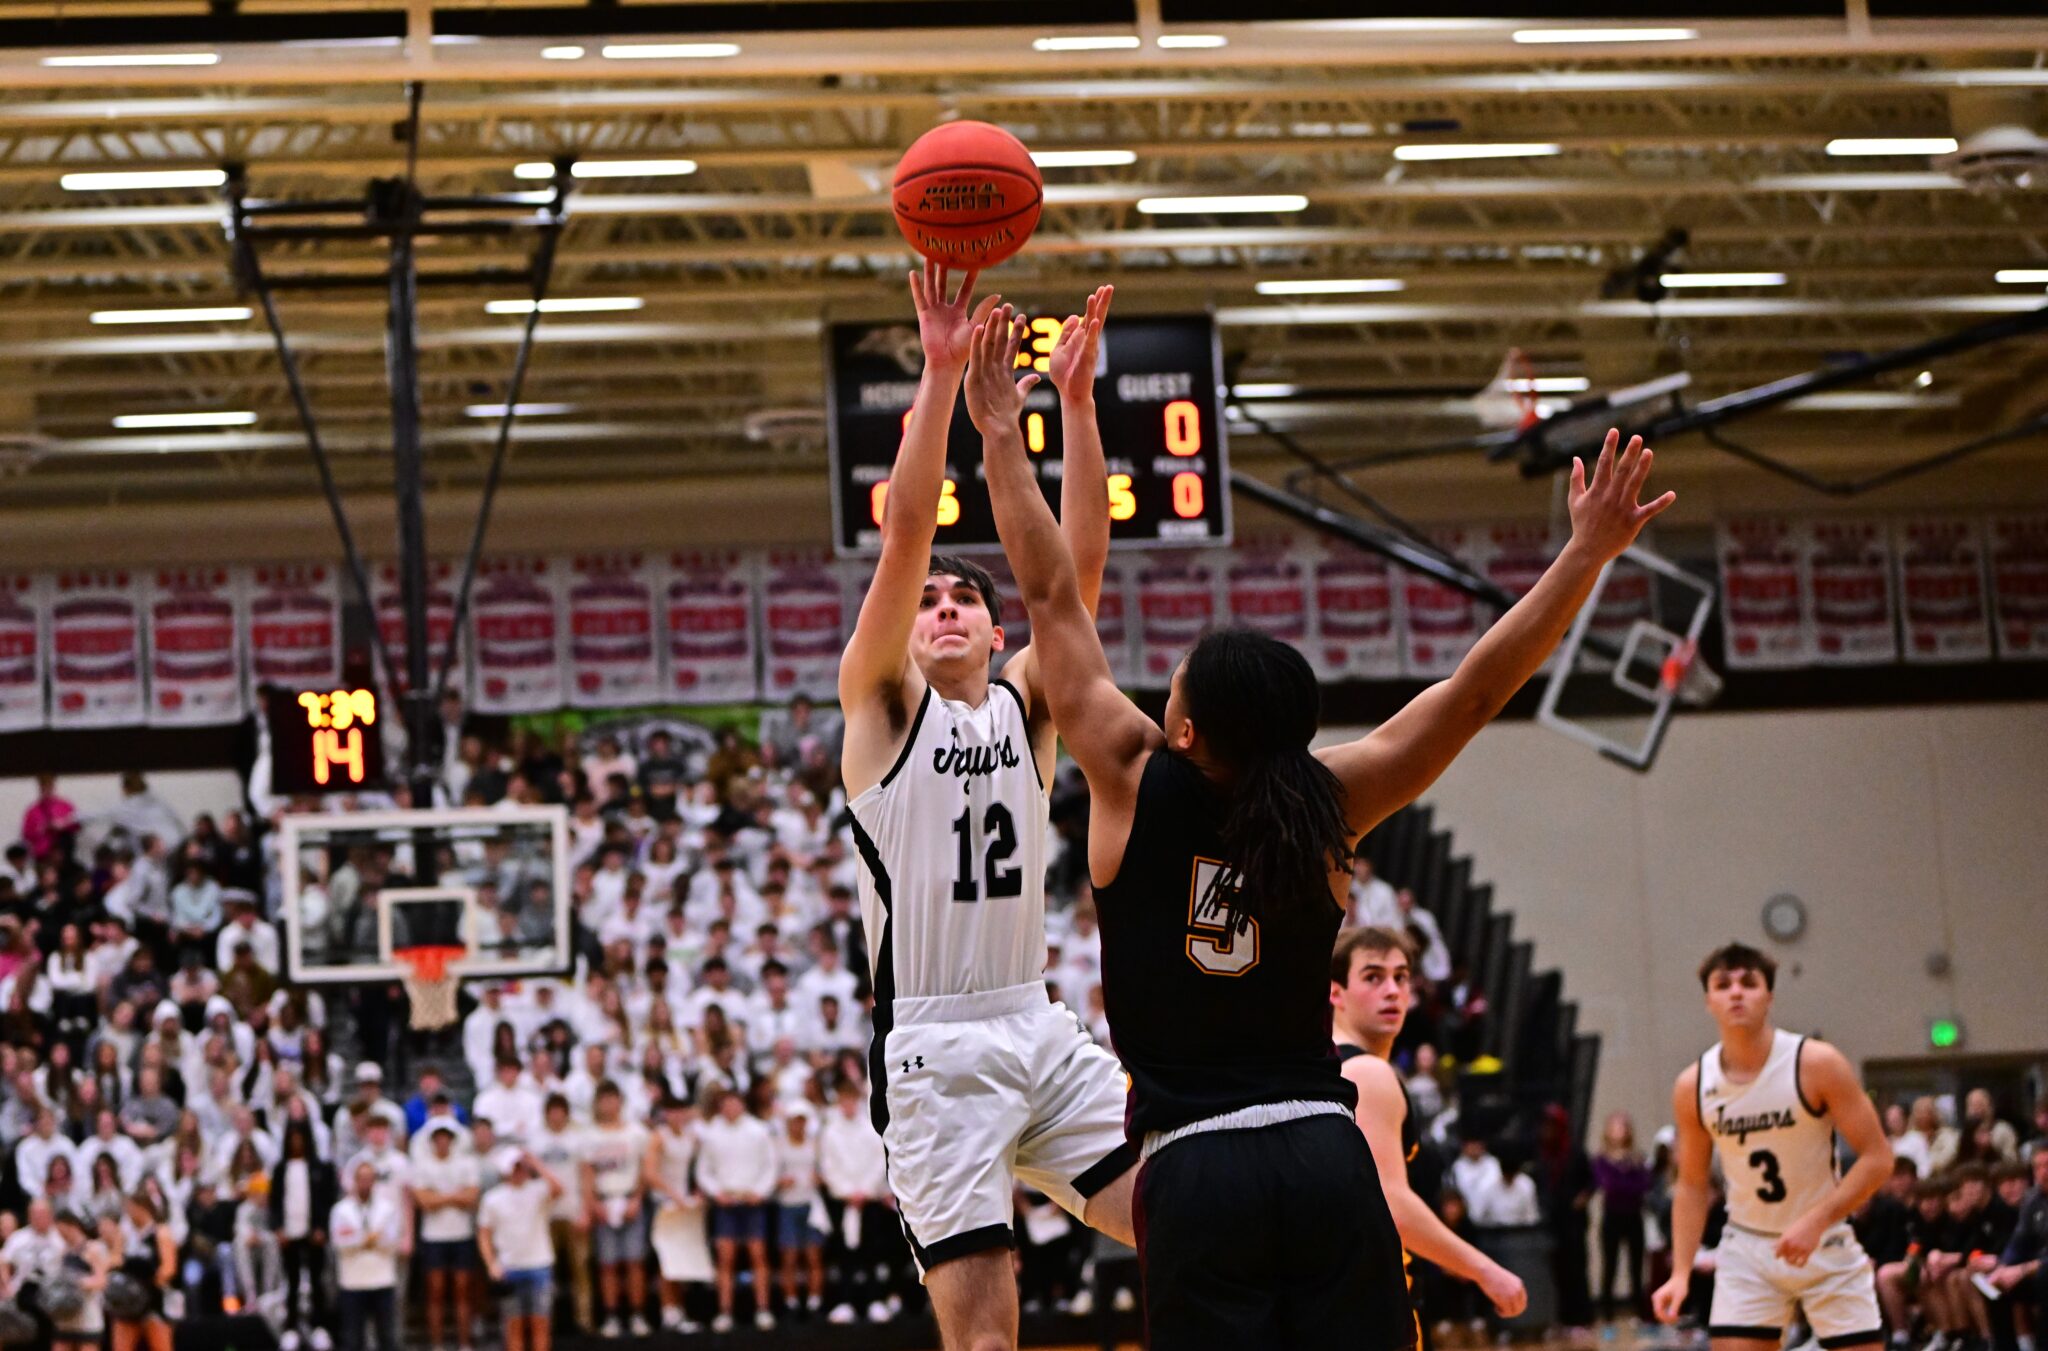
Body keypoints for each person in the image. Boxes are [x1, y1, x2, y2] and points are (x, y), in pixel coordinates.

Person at [975, 281, 1674, 1346]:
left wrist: (1000, 432)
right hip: (1320, 1148)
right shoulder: (1330, 798)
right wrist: (1583, 553)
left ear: (1188, 732)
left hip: (1196, 1162)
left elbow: (1048, 594)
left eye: (1173, 693)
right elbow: (1476, 689)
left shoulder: (1126, 770)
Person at [836, 264, 1135, 1349]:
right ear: (905, 635)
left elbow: (1078, 568)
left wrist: (1079, 403)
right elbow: (907, 523)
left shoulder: (1028, 710)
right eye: (929, 601)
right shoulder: (877, 708)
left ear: (995, 634)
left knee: (1192, 1213)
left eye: (966, 597)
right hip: (933, 1053)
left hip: (1036, 1020)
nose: (945, 605)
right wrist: (940, 369)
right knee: (984, 1337)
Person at [1652, 944, 1894, 1351]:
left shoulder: (1816, 1063)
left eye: (1749, 983)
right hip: (1748, 1249)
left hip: (1825, 1240)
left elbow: (1878, 1159)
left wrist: (1816, 1221)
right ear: (1708, 1000)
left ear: (1769, 996)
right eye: (1723, 984)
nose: (1736, 993)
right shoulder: (1693, 1085)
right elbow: (1692, 1185)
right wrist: (1680, 1272)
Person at [1329, 925, 1527, 1339]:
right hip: (1373, 1304)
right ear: (1335, 993)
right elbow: (1392, 1203)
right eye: (1373, 976)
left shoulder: (1327, 1068)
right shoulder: (1367, 1073)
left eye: (1400, 977)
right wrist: (1484, 1270)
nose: (1392, 990)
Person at [697, 1086, 778, 1332]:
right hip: (726, 1203)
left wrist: (760, 1192)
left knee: (758, 1255)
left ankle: (763, 1309)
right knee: (725, 1258)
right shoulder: (712, 1134)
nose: (731, 1108)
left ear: (742, 1104)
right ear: (721, 1107)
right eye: (726, 1104)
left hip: (752, 1201)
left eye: (735, 1103)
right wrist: (716, 1193)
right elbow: (703, 1171)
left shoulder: (758, 1130)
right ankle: (725, 1312)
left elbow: (770, 1166)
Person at [477, 1148, 567, 1351]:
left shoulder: (537, 1190)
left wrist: (536, 1163)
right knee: (513, 1327)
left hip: (539, 1265)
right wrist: (491, 1263)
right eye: (515, 1167)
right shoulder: (493, 1198)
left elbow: (559, 1189)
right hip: (509, 1268)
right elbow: (484, 1234)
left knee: (541, 1324)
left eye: (522, 1166)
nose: (520, 1171)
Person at [582, 1081, 650, 1337]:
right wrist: (593, 1205)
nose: (609, 1105)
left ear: (621, 1101)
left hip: (629, 1198)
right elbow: (586, 1173)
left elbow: (645, 1168)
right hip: (604, 1201)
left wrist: (637, 1199)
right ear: (598, 1103)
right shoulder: (590, 1136)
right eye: (604, 1099)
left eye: (613, 1099)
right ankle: (611, 1315)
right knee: (607, 1264)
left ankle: (637, 1314)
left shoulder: (636, 1132)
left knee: (635, 1262)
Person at [411, 1121, 482, 1351]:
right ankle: (437, 1344)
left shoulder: (466, 1163)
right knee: (436, 1292)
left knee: (463, 1290)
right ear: (433, 1141)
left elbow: (471, 1197)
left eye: (446, 1137)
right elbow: (423, 1201)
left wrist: (438, 1197)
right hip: (433, 1237)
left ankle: (464, 1342)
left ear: (452, 1140)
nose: (443, 1142)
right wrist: (454, 1196)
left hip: (461, 1234)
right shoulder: (423, 1165)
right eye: (438, 1138)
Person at [644, 1094, 710, 1334]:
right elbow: (650, 1174)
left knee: (682, 1259)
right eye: (673, 1111)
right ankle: (667, 1311)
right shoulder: (658, 1138)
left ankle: (679, 1310)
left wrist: (697, 1192)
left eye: (682, 1111)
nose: (678, 1116)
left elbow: (700, 1167)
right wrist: (673, 1194)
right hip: (665, 1204)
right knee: (667, 1259)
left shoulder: (691, 1137)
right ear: (665, 1114)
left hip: (684, 1203)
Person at [331, 1159, 402, 1351]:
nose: (365, 1183)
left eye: (369, 1179)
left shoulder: (387, 1208)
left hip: (382, 1280)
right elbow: (340, 1243)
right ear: (354, 1180)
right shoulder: (341, 1210)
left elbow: (392, 1241)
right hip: (353, 1282)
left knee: (387, 1337)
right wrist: (367, 1239)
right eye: (361, 1179)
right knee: (353, 1339)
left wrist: (359, 1240)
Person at [1594, 1110, 1657, 1320]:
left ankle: (1639, 1315)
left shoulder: (1638, 1158)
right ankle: (1607, 1318)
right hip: (1612, 1217)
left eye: (1623, 1126)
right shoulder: (1601, 1159)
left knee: (1636, 1268)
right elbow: (1609, 1186)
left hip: (1634, 1217)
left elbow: (1644, 1185)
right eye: (1615, 1126)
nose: (1619, 1131)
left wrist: (1626, 1182)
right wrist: (1626, 1180)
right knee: (1609, 1268)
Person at [112, 1190, 175, 1351]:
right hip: (126, 1302)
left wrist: (145, 1288)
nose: (128, 1213)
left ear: (142, 1208)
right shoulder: (125, 1235)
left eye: (130, 1209)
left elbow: (169, 1268)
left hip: (152, 1301)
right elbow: (115, 1261)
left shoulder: (160, 1232)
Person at [48, 1208, 112, 1351]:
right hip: (65, 1315)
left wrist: (77, 1282)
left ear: (71, 1225)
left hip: (87, 1315)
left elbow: (102, 1281)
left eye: (61, 1230)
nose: (59, 1234)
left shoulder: (93, 1249)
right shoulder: (63, 1250)